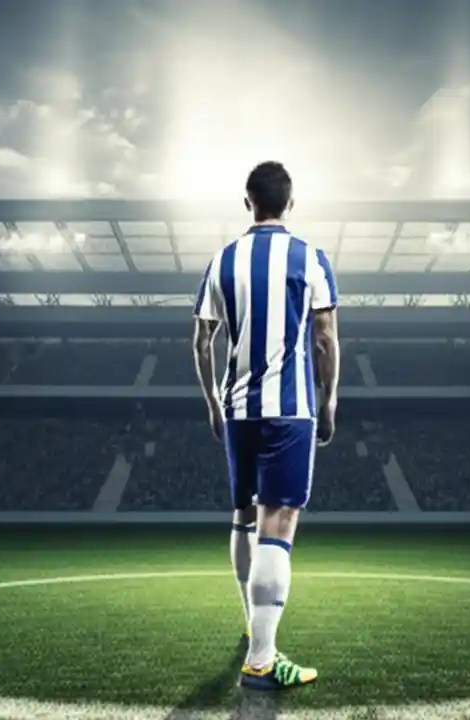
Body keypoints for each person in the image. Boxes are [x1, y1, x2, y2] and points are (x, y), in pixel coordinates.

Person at [192, 160, 340, 690]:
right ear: (291, 203)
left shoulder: (221, 260)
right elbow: (324, 339)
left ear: (248, 201)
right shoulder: (311, 257)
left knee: (243, 516)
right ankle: (261, 657)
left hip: (238, 408)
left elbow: (200, 341)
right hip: (289, 407)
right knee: (278, 523)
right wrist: (329, 402)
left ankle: (251, 627)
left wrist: (213, 402)